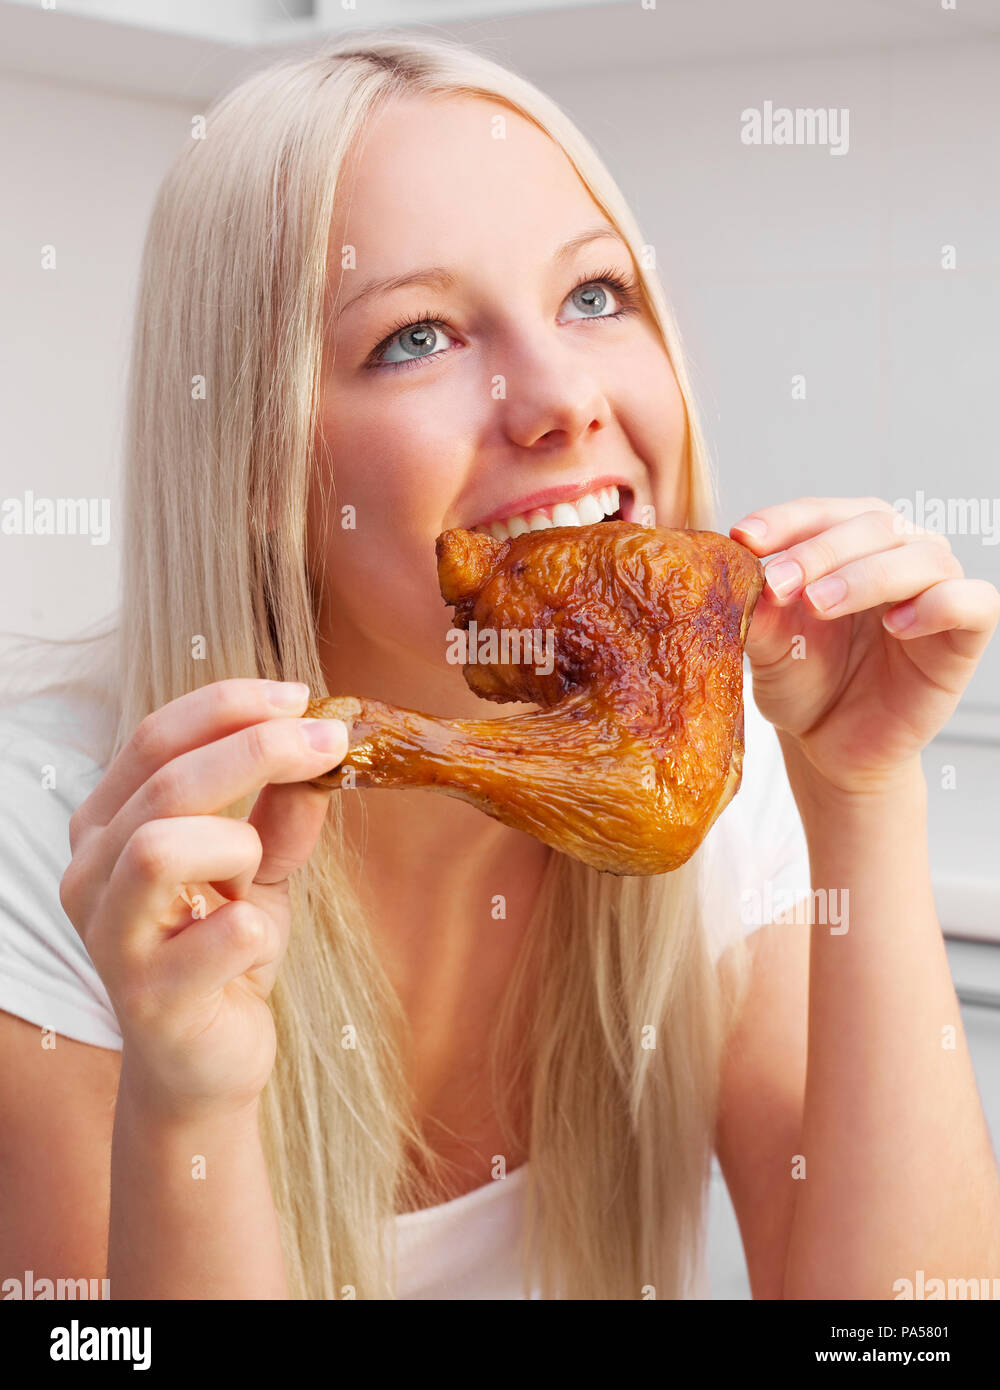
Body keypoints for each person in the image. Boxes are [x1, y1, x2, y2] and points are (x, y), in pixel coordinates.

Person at [1, 31, 998, 1301]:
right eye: (416, 337)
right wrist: (187, 1108)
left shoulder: (726, 778)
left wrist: (862, 800)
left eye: (594, 296)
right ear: (257, 470)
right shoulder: (69, 857)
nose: (562, 395)